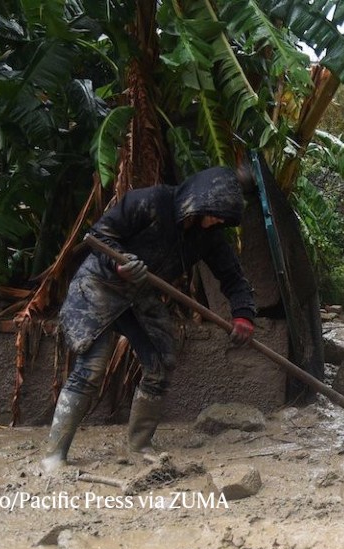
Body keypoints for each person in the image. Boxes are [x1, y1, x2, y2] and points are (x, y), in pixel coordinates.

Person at [41, 166, 257, 473]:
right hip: (100, 283)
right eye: (216, 213)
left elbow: (233, 279)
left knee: (160, 363)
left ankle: (140, 444)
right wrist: (121, 263)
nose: (219, 221)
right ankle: (54, 455)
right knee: (91, 369)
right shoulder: (151, 202)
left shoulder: (208, 236)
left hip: (140, 295)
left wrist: (243, 315)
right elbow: (101, 234)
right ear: (198, 202)